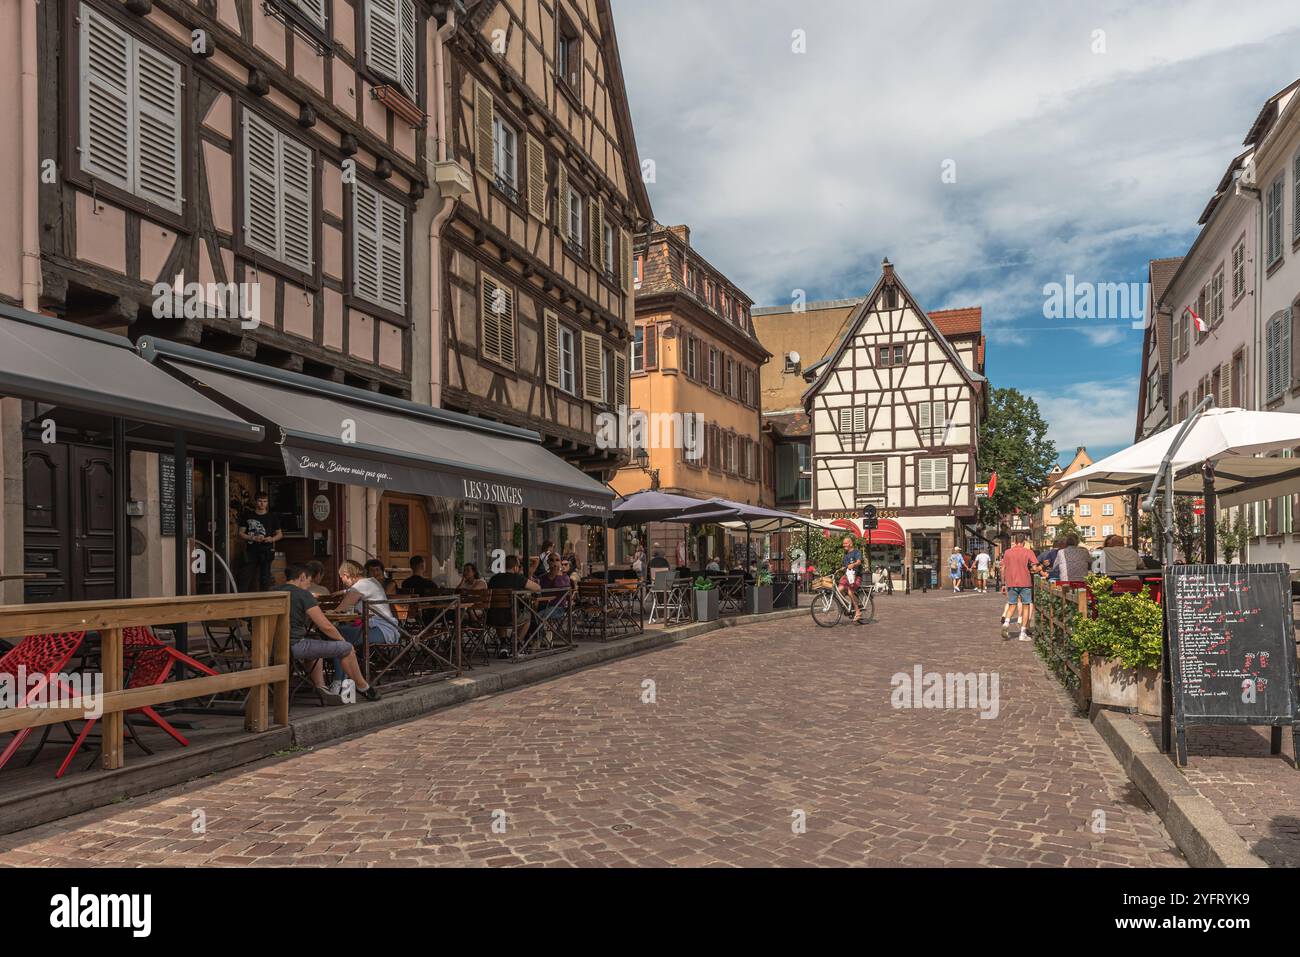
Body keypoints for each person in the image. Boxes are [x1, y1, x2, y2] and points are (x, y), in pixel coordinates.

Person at [275, 562, 380, 705]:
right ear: (302, 577)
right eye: (309, 581)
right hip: (293, 646)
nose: (309, 585)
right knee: (347, 648)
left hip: (269, 647)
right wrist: (342, 640)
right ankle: (363, 687)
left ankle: (321, 687)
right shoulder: (303, 595)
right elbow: (325, 626)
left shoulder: (272, 591)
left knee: (316, 641)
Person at [333, 560, 402, 649]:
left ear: (346, 575)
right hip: (386, 629)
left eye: (341, 577)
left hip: (379, 631)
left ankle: (340, 662)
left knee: (335, 636)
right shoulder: (371, 582)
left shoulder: (360, 586)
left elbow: (341, 610)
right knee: (337, 634)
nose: (342, 581)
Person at [487, 555, 540, 657]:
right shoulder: (518, 578)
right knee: (527, 617)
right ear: (515, 567)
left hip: (492, 618)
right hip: (511, 617)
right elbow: (537, 588)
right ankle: (515, 645)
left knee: (499, 612)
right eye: (518, 567)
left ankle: (504, 645)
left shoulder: (493, 579)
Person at [237, 492, 282, 591]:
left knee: (265, 578)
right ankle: (241, 599)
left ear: (267, 503)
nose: (262, 504)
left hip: (267, 550)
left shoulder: (272, 517)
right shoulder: (248, 515)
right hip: (251, 550)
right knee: (245, 576)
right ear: (255, 502)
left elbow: (280, 534)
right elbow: (240, 533)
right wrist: (253, 538)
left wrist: (271, 539)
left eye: (265, 501)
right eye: (260, 501)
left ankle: (264, 601)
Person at [1000, 534, 1041, 641]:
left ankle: (1006, 623)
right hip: (1025, 582)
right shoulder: (1028, 552)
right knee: (1026, 606)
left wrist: (1003, 584)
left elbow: (1003, 568)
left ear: (1015, 541)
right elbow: (1035, 568)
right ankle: (1022, 633)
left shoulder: (1008, 552)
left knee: (1012, 605)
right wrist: (1039, 568)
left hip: (1011, 582)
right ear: (1024, 541)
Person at [839, 535, 866, 625]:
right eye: (843, 543)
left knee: (850, 591)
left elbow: (859, 561)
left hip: (856, 576)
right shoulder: (846, 554)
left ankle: (858, 611)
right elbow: (845, 565)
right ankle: (847, 605)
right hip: (847, 576)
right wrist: (841, 568)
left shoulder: (856, 552)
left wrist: (853, 565)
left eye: (845, 543)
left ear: (850, 544)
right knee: (839, 590)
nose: (844, 545)